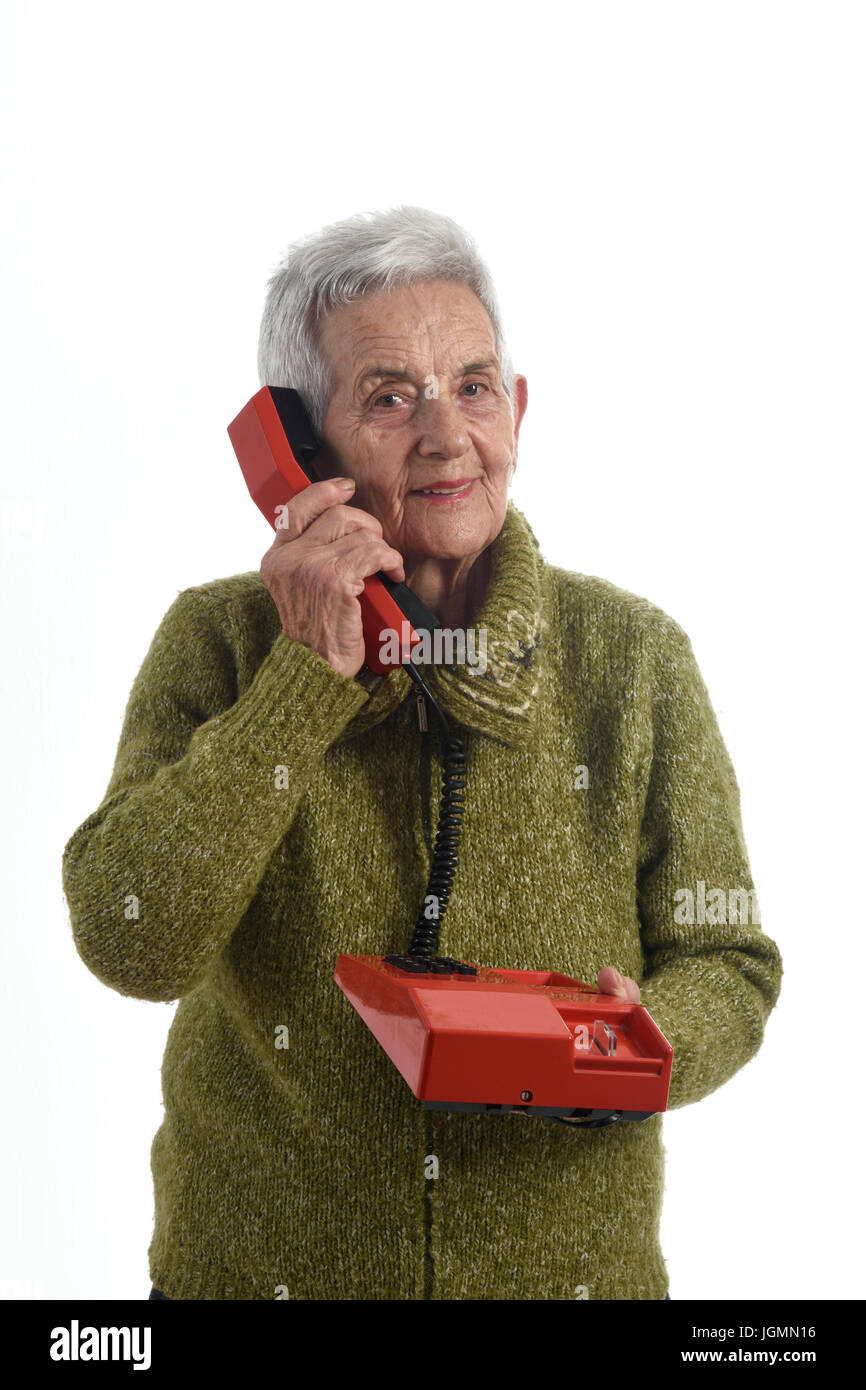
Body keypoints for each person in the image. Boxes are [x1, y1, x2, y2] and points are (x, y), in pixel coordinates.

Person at [62, 206, 783, 1300]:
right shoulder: (216, 643)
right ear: (302, 447)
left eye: (474, 386)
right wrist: (304, 680)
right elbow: (132, 940)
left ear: (518, 410)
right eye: (390, 397)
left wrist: (619, 1052)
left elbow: (727, 961)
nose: (447, 437)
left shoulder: (633, 659)